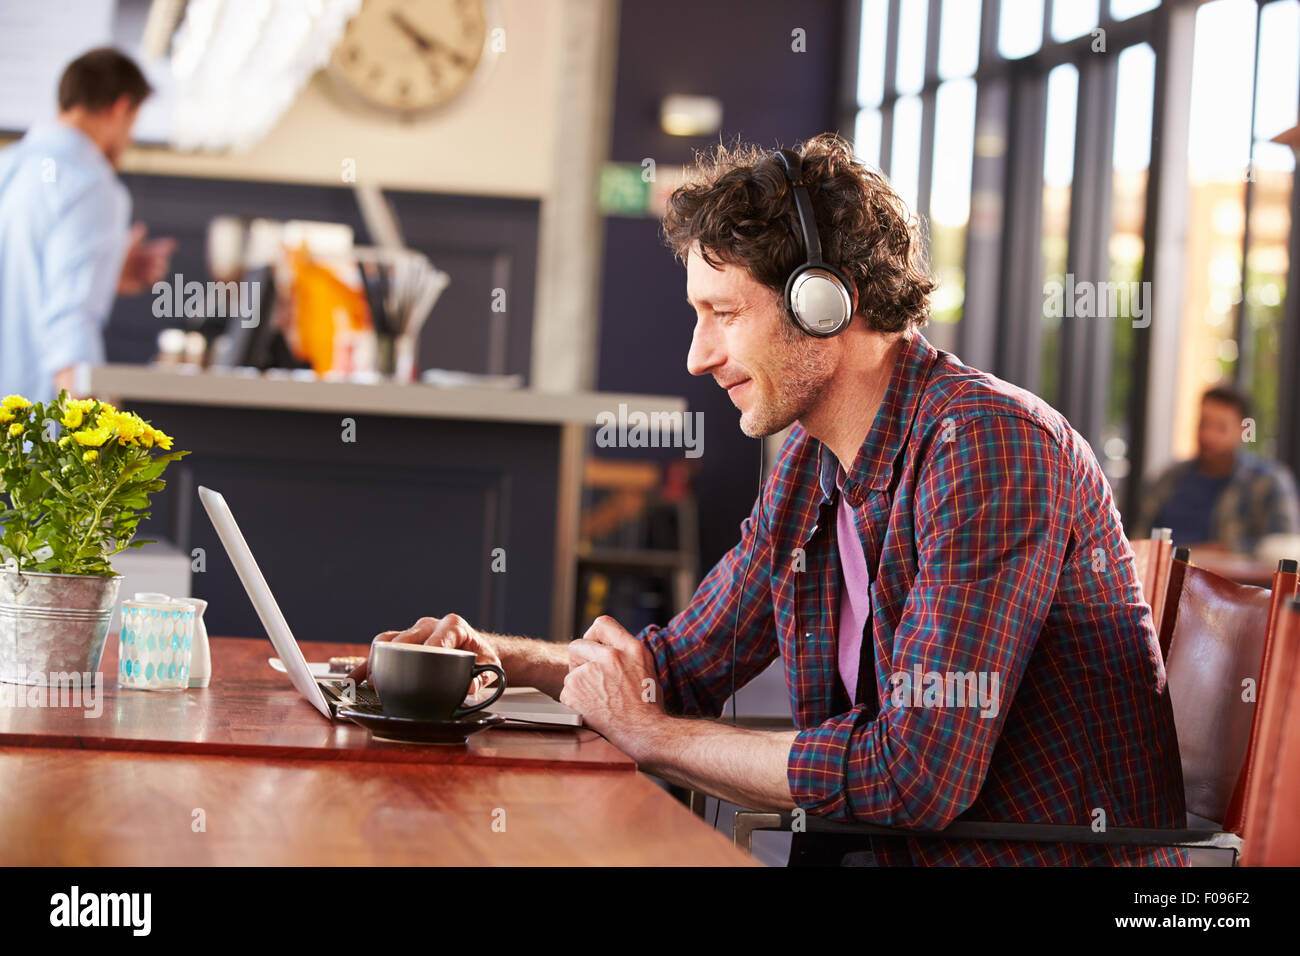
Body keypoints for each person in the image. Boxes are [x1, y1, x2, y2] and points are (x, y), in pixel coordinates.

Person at [351, 134, 1186, 866]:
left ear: (825, 301)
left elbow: (917, 775)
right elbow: (678, 669)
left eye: (722, 313)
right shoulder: (810, 464)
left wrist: (652, 736)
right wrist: (502, 657)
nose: (695, 355)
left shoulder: (988, 451)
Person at [0, 47, 175, 403]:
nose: (127, 141)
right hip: (30, 432)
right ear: (122, 108)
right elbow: (70, 323)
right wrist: (89, 443)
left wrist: (107, 272)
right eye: (132, 126)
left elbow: (26, 283)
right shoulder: (91, 184)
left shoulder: (9, 166)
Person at [1137, 384, 1300, 554]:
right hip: (1162, 575)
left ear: (1243, 431)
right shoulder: (1168, 478)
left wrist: (1227, 550)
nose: (1208, 435)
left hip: (1226, 579)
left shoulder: (1268, 483)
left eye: (1221, 428)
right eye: (1203, 424)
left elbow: (1286, 549)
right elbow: (1138, 540)